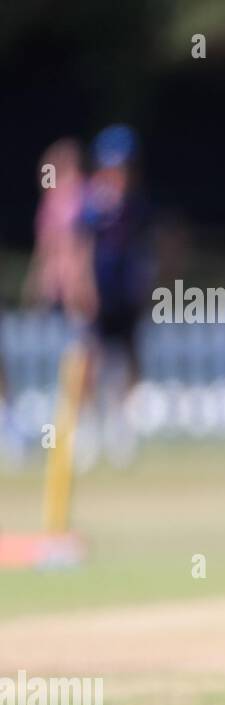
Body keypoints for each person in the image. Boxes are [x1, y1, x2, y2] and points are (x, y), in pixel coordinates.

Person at [7, 139, 95, 464]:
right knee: (56, 359)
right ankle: (46, 427)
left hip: (77, 293)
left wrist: (82, 284)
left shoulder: (84, 198)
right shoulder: (51, 201)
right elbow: (46, 248)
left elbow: (81, 247)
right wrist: (37, 282)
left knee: (83, 355)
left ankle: (83, 426)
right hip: (55, 291)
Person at [78, 123, 155, 470]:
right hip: (99, 295)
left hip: (127, 296)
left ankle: (122, 430)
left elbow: (147, 249)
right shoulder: (94, 206)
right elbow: (80, 248)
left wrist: (146, 285)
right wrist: (84, 287)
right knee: (90, 361)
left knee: (127, 360)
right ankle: (88, 431)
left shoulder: (137, 206)